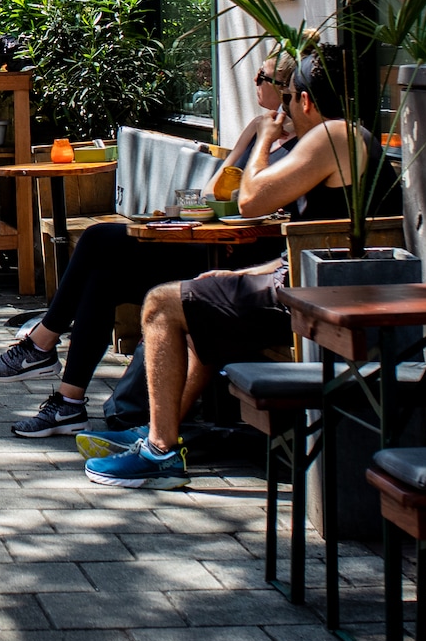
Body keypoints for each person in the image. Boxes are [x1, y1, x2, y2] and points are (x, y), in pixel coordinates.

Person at [0, 56, 302, 437]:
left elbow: (259, 206)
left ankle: (42, 344)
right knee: (103, 275)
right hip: (208, 237)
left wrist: (264, 148)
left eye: (261, 76)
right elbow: (217, 190)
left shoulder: (300, 146)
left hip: (244, 259)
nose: (254, 81)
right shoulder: (257, 128)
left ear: (286, 90)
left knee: (99, 239)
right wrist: (259, 140)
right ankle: (67, 401)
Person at [87, 51, 361, 490]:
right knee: (199, 300)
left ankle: (159, 452)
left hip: (312, 297)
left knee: (160, 303)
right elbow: (315, 243)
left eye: (288, 98)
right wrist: (237, 277)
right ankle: (164, 432)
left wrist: (265, 142)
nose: (284, 108)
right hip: (314, 283)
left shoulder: (330, 135)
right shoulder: (353, 135)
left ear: (306, 102)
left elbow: (250, 201)